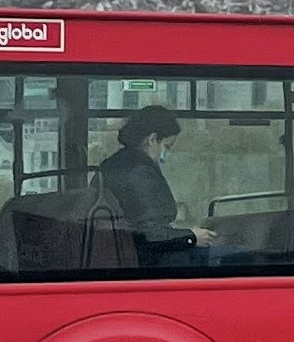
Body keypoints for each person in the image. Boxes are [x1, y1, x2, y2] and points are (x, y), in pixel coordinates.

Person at [91, 106, 213, 266]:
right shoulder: (138, 173)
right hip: (152, 261)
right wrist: (191, 237)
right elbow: (151, 235)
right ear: (153, 139)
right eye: (167, 146)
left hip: (131, 255)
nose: (165, 154)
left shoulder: (113, 165)